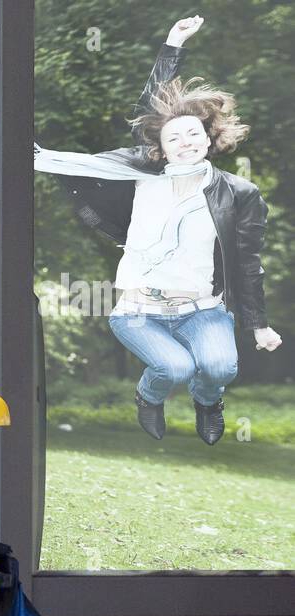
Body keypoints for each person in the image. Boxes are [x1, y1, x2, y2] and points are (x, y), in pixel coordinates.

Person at [34, 16, 281, 445]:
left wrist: (259, 325)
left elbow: (246, 263)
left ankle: (208, 402)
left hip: (202, 308)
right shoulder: (143, 176)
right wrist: (173, 44)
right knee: (175, 368)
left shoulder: (238, 193)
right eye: (174, 138)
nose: (185, 141)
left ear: (208, 137)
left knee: (219, 369)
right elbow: (152, 108)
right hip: (139, 311)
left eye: (192, 133)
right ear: (159, 148)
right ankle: (150, 397)